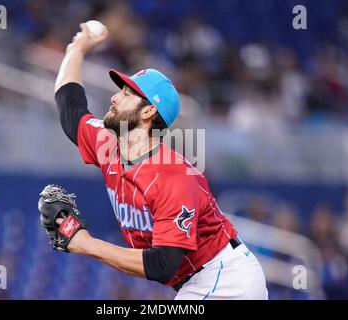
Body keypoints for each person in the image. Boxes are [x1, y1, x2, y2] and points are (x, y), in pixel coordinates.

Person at [42, 22, 268, 300]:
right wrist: (76, 48)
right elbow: (69, 107)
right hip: (196, 282)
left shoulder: (173, 175)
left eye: (127, 93)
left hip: (225, 279)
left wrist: (86, 244)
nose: (115, 97)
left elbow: (162, 264)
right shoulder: (109, 144)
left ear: (149, 109)